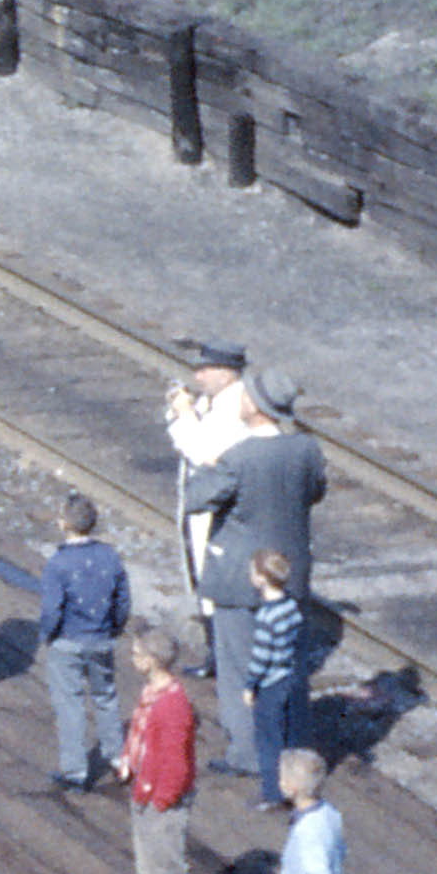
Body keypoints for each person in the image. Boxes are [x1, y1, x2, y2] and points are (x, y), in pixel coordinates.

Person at [189, 367, 328, 729]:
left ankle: (246, 753)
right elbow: (315, 492)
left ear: (253, 405)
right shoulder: (307, 450)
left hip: (240, 576)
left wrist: (208, 466)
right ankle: (291, 740)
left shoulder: (238, 458)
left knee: (238, 667)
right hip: (289, 571)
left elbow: (196, 499)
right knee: (288, 666)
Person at [116, 632, 203, 874]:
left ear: (152, 660)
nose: (132, 658)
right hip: (144, 791)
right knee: (147, 865)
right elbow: (139, 736)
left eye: (137, 654)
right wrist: (128, 763)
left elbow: (177, 763)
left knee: (168, 872)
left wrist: (163, 799)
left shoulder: (173, 706)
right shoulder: (152, 694)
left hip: (161, 799)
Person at [164, 341, 251, 679]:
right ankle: (218, 657)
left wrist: (185, 415)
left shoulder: (235, 408)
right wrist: (181, 410)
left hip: (220, 515)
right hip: (201, 508)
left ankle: (228, 663)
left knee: (216, 585)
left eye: (205, 369)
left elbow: (202, 452)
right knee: (203, 581)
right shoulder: (212, 400)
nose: (197, 375)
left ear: (227, 372)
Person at [37, 493, 131, 794]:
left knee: (71, 705)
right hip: (101, 638)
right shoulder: (110, 556)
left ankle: (76, 772)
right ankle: (118, 759)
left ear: (64, 523)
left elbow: (52, 609)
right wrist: (114, 628)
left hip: (68, 641)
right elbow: (123, 600)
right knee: (106, 697)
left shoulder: (58, 563)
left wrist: (47, 635)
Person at [242, 547, 309, 807]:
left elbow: (261, 659)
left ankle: (272, 794)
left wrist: (250, 685)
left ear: (261, 578)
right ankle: (298, 786)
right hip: (289, 678)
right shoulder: (291, 606)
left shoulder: (266, 616)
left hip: (270, 684)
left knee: (269, 741)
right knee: (291, 738)